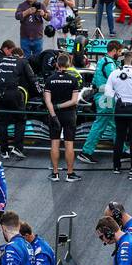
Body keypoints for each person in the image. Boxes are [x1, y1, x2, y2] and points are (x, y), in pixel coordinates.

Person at [44, 52, 83, 181]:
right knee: (69, 144)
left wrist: (54, 113)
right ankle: (70, 174)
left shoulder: (50, 79)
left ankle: (55, 174)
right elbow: (74, 101)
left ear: (56, 64)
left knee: (54, 143)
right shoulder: (73, 79)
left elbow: (47, 101)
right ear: (69, 64)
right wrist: (61, 106)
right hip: (69, 114)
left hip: (54, 115)